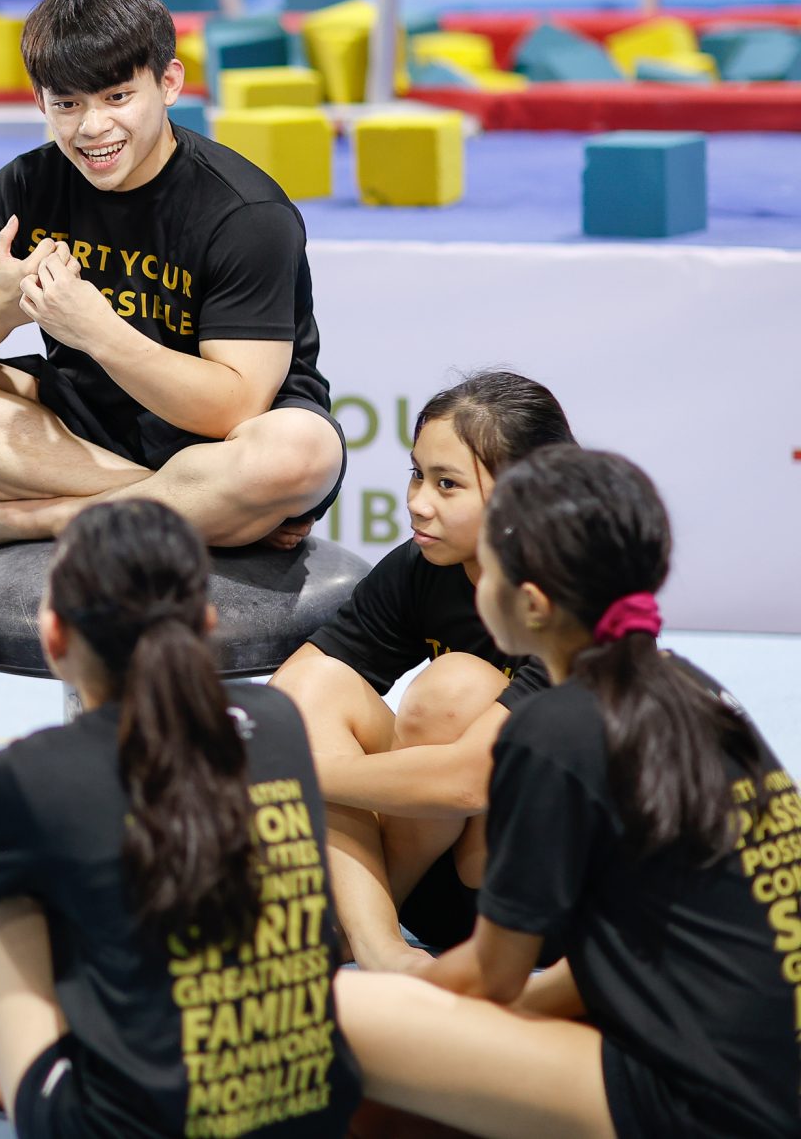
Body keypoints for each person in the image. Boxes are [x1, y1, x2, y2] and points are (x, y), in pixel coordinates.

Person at [0, 500, 360, 1137]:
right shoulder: (278, 721)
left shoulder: (33, 775)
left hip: (121, 1125)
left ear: (54, 638)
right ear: (207, 624)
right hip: (313, 1107)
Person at [337, 446, 801, 1138]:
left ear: (528, 602)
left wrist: (390, 987)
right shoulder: (693, 688)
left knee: (333, 1016)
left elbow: (493, 974)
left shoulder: (555, 726)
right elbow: (606, 959)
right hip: (766, 1077)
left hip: (700, 1102)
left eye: (485, 569)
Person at [0, 0, 343, 553]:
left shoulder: (245, 211)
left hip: (223, 438)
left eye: (117, 97)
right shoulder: (28, 185)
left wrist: (93, 328)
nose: (92, 128)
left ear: (169, 82)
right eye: (68, 104)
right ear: (41, 103)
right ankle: (187, 511)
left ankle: (49, 519)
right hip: (86, 434)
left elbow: (233, 404)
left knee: (301, 452)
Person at [270, 372, 574, 969]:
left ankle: (346, 927)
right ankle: (377, 943)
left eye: (447, 484)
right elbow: (292, 699)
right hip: (430, 883)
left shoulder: (574, 601)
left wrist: (294, 779)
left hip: (529, 900)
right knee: (312, 687)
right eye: (417, 473)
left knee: (455, 690)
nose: (417, 501)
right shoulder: (423, 565)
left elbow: (467, 782)